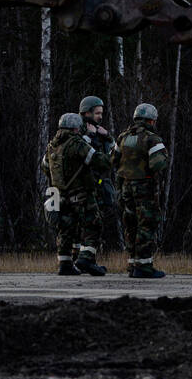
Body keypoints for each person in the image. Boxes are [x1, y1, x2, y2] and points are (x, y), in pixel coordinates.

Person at [42, 113, 107, 276]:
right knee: (93, 224)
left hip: (60, 195)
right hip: (80, 194)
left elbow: (45, 167)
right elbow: (98, 161)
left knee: (65, 229)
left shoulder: (52, 145)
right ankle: (86, 258)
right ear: (76, 128)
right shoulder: (77, 143)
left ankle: (65, 264)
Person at [115, 103, 169, 279]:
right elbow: (158, 164)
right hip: (145, 188)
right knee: (147, 224)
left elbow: (112, 161)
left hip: (125, 187)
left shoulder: (122, 138)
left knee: (130, 224)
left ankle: (132, 264)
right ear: (152, 120)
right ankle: (144, 265)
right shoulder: (152, 139)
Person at [78, 94, 119, 254]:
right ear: (86, 113)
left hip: (99, 184)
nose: (100, 117)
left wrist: (107, 136)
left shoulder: (100, 133)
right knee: (87, 223)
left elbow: (114, 153)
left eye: (101, 113)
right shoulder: (79, 132)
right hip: (84, 185)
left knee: (97, 222)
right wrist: (91, 136)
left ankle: (87, 256)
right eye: (97, 113)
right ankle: (84, 257)